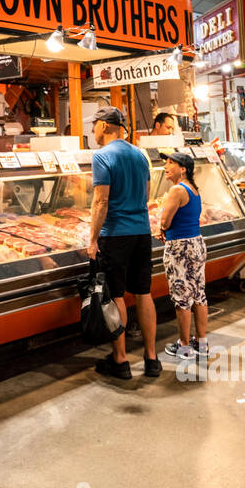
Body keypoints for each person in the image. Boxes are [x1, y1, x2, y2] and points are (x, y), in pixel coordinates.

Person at [86, 107, 160, 380]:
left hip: (115, 234)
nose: (92, 130)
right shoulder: (139, 155)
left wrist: (93, 239)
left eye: (94, 125)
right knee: (143, 292)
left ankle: (120, 360)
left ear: (105, 126)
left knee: (116, 295)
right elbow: (148, 194)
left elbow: (101, 201)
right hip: (142, 231)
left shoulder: (102, 156)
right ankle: (151, 358)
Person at [156, 152, 210, 360]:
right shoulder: (193, 189)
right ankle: (201, 342)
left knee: (181, 298)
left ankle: (184, 346)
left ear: (183, 168)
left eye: (171, 163)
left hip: (180, 247)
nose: (166, 167)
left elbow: (166, 221)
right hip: (196, 243)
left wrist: (162, 228)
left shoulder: (177, 190)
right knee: (199, 294)